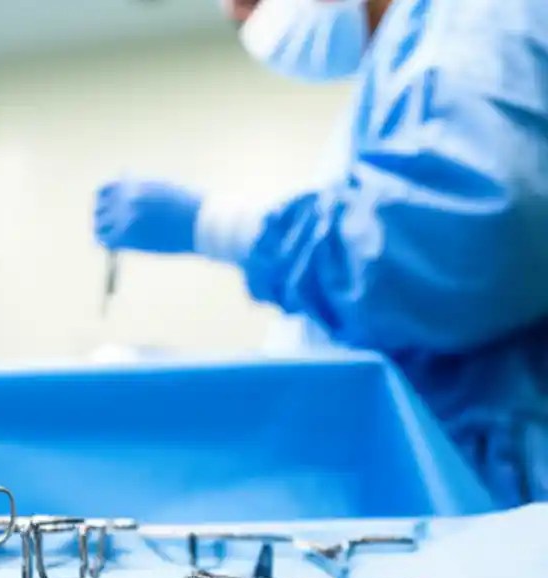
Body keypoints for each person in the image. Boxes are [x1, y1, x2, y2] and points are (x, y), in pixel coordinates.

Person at [93, 0, 548, 505]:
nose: (236, 13)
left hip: (495, 501)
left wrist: (216, 226)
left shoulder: (475, 15)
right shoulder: (411, 63)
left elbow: (462, 247)